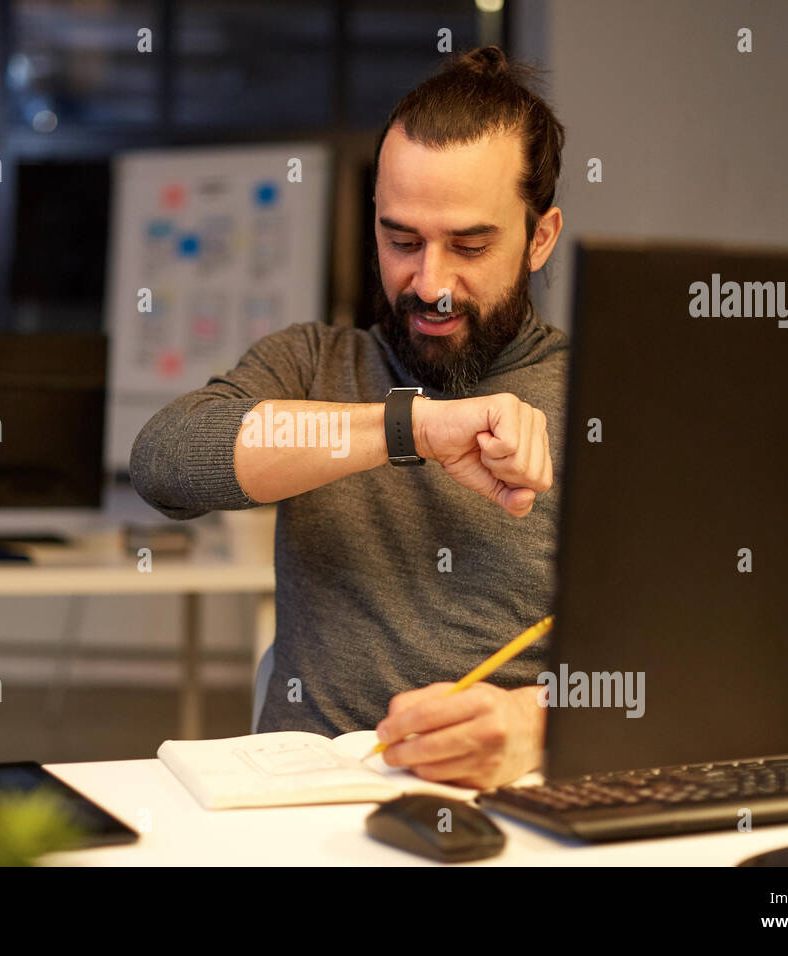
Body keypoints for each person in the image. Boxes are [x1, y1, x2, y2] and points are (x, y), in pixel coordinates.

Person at [130, 47, 567, 789]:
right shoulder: (313, 366)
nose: (429, 284)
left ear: (540, 239)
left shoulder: (600, 404)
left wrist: (541, 725)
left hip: (508, 815)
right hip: (301, 813)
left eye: (469, 245)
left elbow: (685, 654)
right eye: (401, 241)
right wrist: (412, 429)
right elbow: (164, 461)